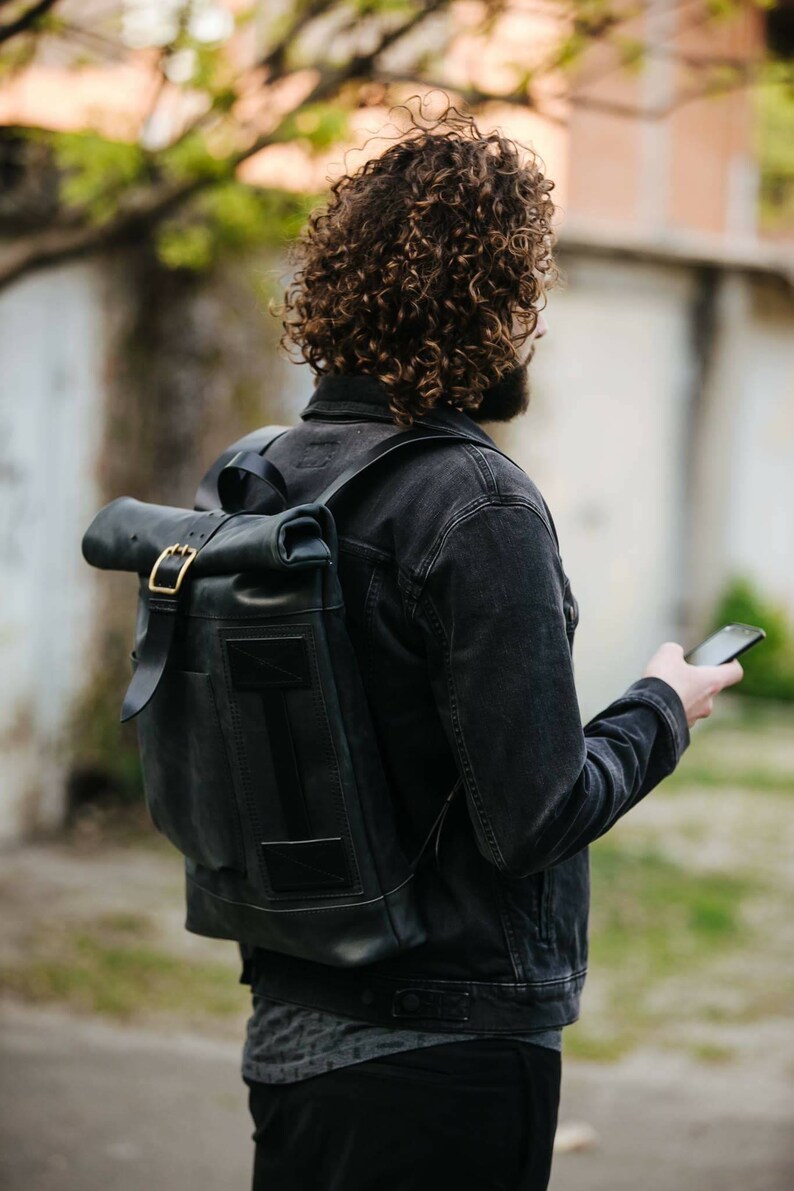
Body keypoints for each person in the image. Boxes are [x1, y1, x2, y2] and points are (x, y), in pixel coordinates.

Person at [238, 103, 744, 1191]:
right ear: (495, 304)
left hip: (291, 1023)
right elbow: (533, 819)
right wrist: (662, 705)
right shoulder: (475, 502)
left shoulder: (268, 476)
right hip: (445, 1048)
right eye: (527, 294)